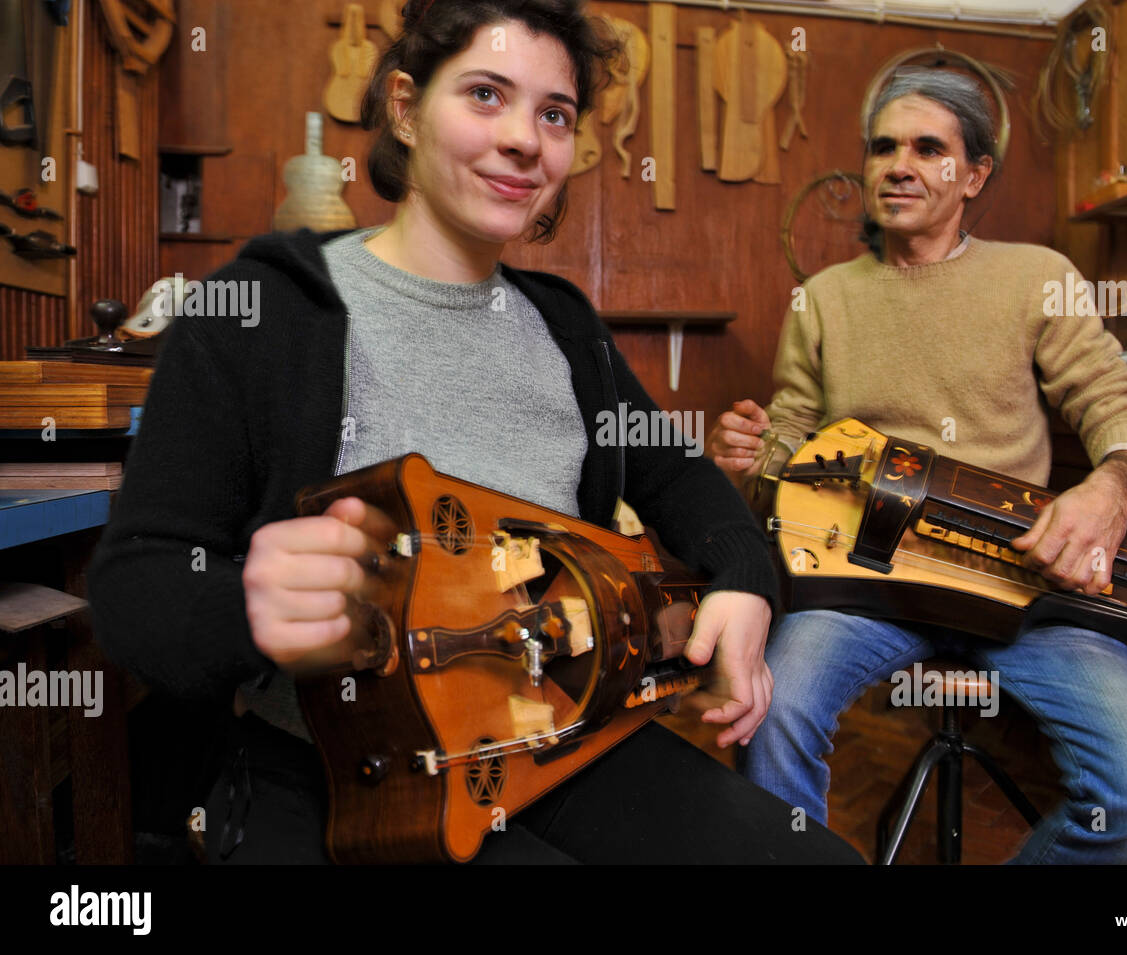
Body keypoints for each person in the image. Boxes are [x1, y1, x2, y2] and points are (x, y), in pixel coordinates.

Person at [89, 0, 862, 865]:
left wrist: (747, 579)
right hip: (347, 770)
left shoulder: (568, 331)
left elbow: (683, 479)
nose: (527, 139)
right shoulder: (264, 313)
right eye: (487, 95)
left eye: (554, 114)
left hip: (563, 736)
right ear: (407, 108)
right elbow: (135, 585)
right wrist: (246, 606)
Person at [706, 67, 1127, 864]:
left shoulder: (1038, 277)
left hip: (1023, 581)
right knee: (771, 710)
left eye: (928, 149)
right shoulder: (825, 297)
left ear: (974, 176)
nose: (898, 164)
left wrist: (1113, 485)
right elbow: (788, 447)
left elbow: (1118, 406)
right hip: (864, 577)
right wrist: (748, 451)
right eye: (882, 147)